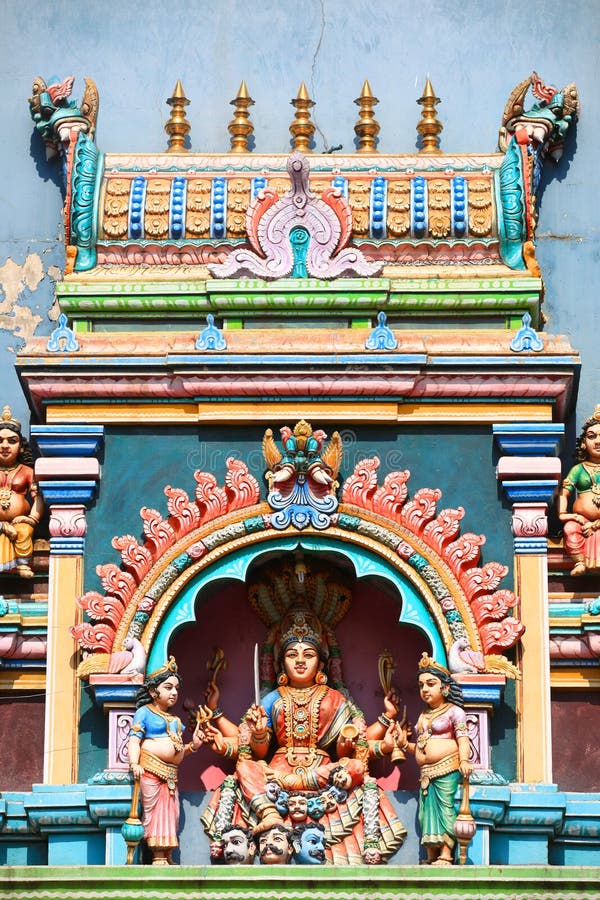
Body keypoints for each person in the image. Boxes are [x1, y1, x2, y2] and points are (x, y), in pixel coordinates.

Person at [201, 606, 407, 864]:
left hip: (321, 771)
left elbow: (356, 748)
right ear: (281, 663)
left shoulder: (335, 698)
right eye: (291, 654)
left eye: (308, 655)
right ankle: (270, 813)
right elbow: (253, 750)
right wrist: (259, 732)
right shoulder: (272, 699)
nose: (300, 660)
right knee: (245, 768)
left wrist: (379, 727)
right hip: (276, 772)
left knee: (353, 767)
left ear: (321, 664)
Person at [397, 653, 473, 866]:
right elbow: (420, 747)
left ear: (445, 687)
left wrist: (465, 760)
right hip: (426, 774)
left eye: (431, 684)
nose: (425, 690)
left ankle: (447, 854)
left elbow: (463, 739)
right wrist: (403, 744)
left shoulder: (454, 712)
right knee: (425, 814)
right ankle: (431, 854)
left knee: (445, 809)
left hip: (447, 768)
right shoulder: (422, 716)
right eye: (421, 685)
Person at [128, 657, 202, 865]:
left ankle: (167, 854)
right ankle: (157, 855)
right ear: (153, 692)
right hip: (151, 770)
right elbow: (134, 740)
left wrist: (193, 746)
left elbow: (179, 751)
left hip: (170, 775)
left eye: (176, 688)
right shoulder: (145, 712)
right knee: (155, 815)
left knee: (172, 815)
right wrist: (134, 763)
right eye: (168, 687)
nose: (174, 693)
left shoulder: (175, 720)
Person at [0, 406, 43, 578]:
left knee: (23, 532)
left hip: (20, 522)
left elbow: (38, 497)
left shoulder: (26, 471)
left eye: (12, 441)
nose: (4, 446)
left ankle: (21, 565)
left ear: (22, 447)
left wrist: (31, 519)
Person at [558, 407, 600, 575]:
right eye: (592, 437)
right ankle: (579, 562)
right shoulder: (578, 469)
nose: (598, 441)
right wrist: (566, 514)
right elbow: (565, 491)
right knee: (569, 529)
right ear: (583, 443)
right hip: (580, 521)